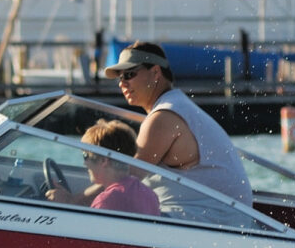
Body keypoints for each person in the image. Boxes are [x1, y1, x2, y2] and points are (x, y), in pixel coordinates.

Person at [103, 41, 253, 207]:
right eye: (120, 77)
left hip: (212, 220)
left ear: (155, 72)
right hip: (219, 216)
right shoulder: (176, 105)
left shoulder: (164, 116)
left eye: (129, 75)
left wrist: (77, 201)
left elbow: (126, 179)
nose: (122, 83)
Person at [45, 119, 160, 215]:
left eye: (86, 155)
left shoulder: (105, 201)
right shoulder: (149, 194)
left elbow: (86, 238)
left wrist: (62, 208)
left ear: (104, 160)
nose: (85, 163)